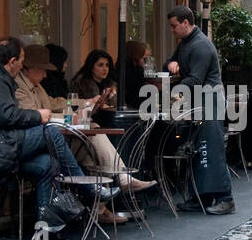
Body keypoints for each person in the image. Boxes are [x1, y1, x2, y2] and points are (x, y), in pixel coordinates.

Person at [0, 37, 104, 235]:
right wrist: (38, 115)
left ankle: (47, 228)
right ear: (11, 62)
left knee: (47, 163)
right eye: (21, 59)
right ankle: (84, 185)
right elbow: (5, 116)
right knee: (50, 131)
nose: (23, 64)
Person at [14, 44, 155, 221]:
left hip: (56, 138)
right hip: (43, 143)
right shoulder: (20, 87)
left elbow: (53, 102)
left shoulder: (35, 85)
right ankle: (112, 191)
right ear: (30, 69)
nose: (45, 75)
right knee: (93, 138)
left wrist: (82, 104)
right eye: (42, 70)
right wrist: (70, 115)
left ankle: (101, 208)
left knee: (93, 150)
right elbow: (36, 116)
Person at [165, 5, 235, 215]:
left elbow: (195, 79)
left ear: (186, 23)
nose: (172, 30)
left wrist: (171, 94)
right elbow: (170, 61)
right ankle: (199, 197)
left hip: (210, 101)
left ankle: (226, 198)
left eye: (174, 26)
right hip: (199, 102)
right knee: (198, 150)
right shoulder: (187, 42)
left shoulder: (201, 46)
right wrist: (171, 64)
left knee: (211, 150)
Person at [123, 40, 151, 111]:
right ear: (135, 57)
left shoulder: (122, 68)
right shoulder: (136, 72)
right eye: (143, 58)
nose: (144, 61)